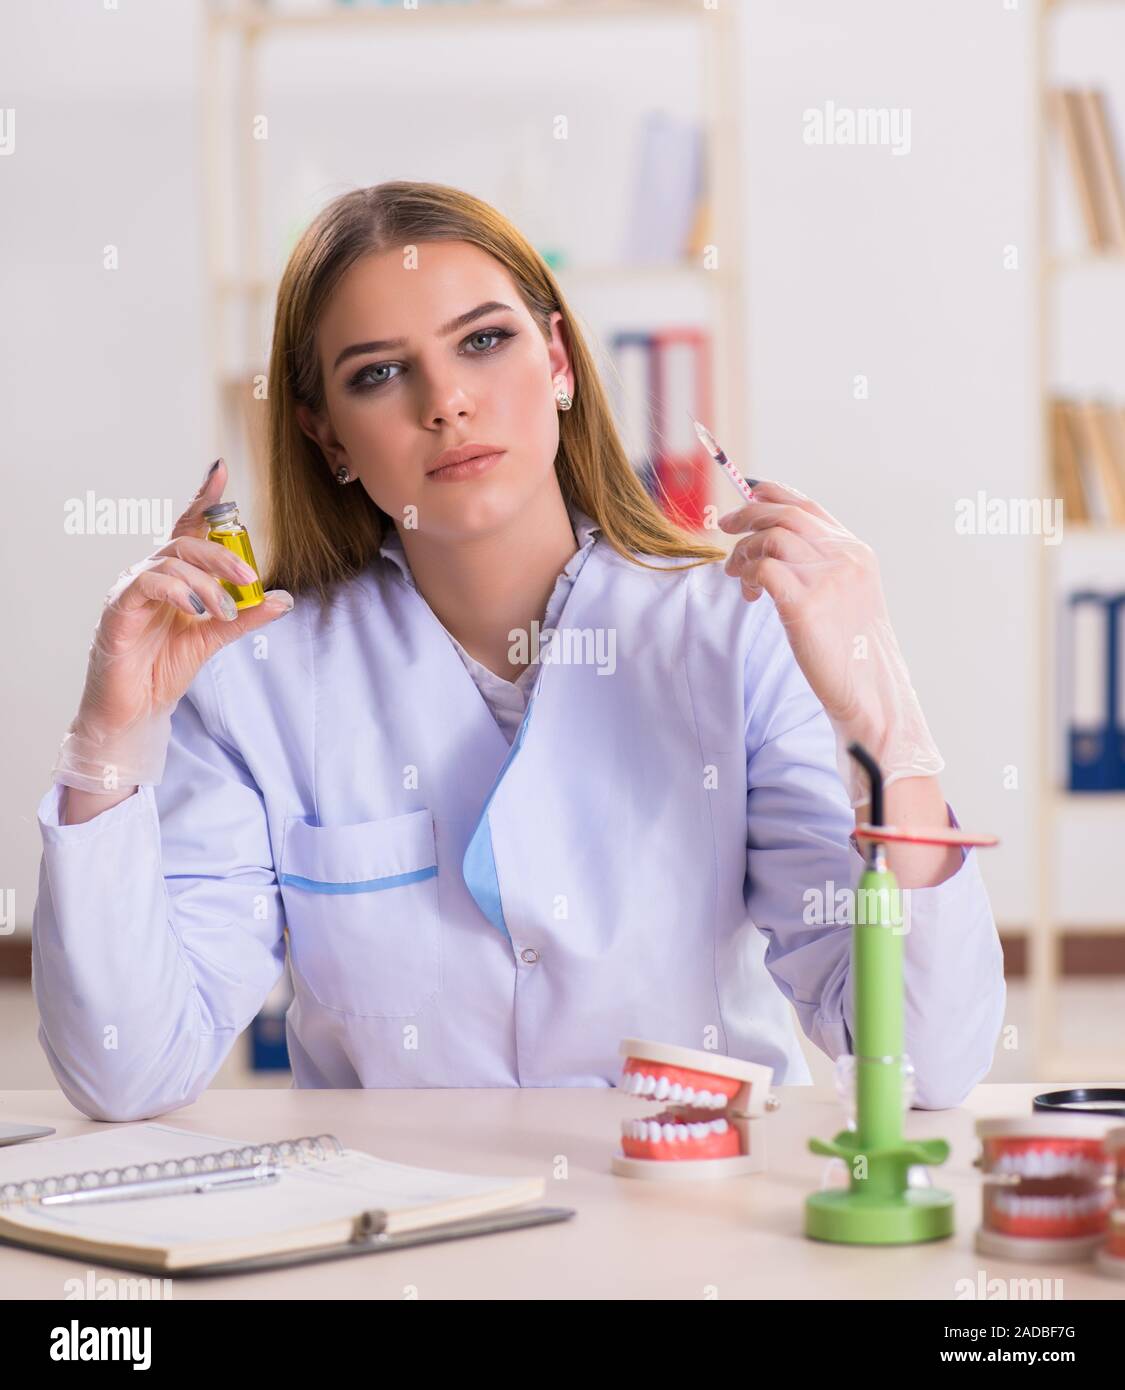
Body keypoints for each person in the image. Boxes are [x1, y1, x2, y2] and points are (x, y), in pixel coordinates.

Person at [32, 181, 1004, 1123]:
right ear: (325, 435)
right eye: (379, 372)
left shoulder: (735, 629)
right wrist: (108, 741)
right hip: (394, 1241)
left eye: (485, 342)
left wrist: (885, 720)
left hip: (691, 1217)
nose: (446, 401)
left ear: (560, 363)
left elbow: (922, 1060)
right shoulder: (256, 677)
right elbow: (129, 1071)